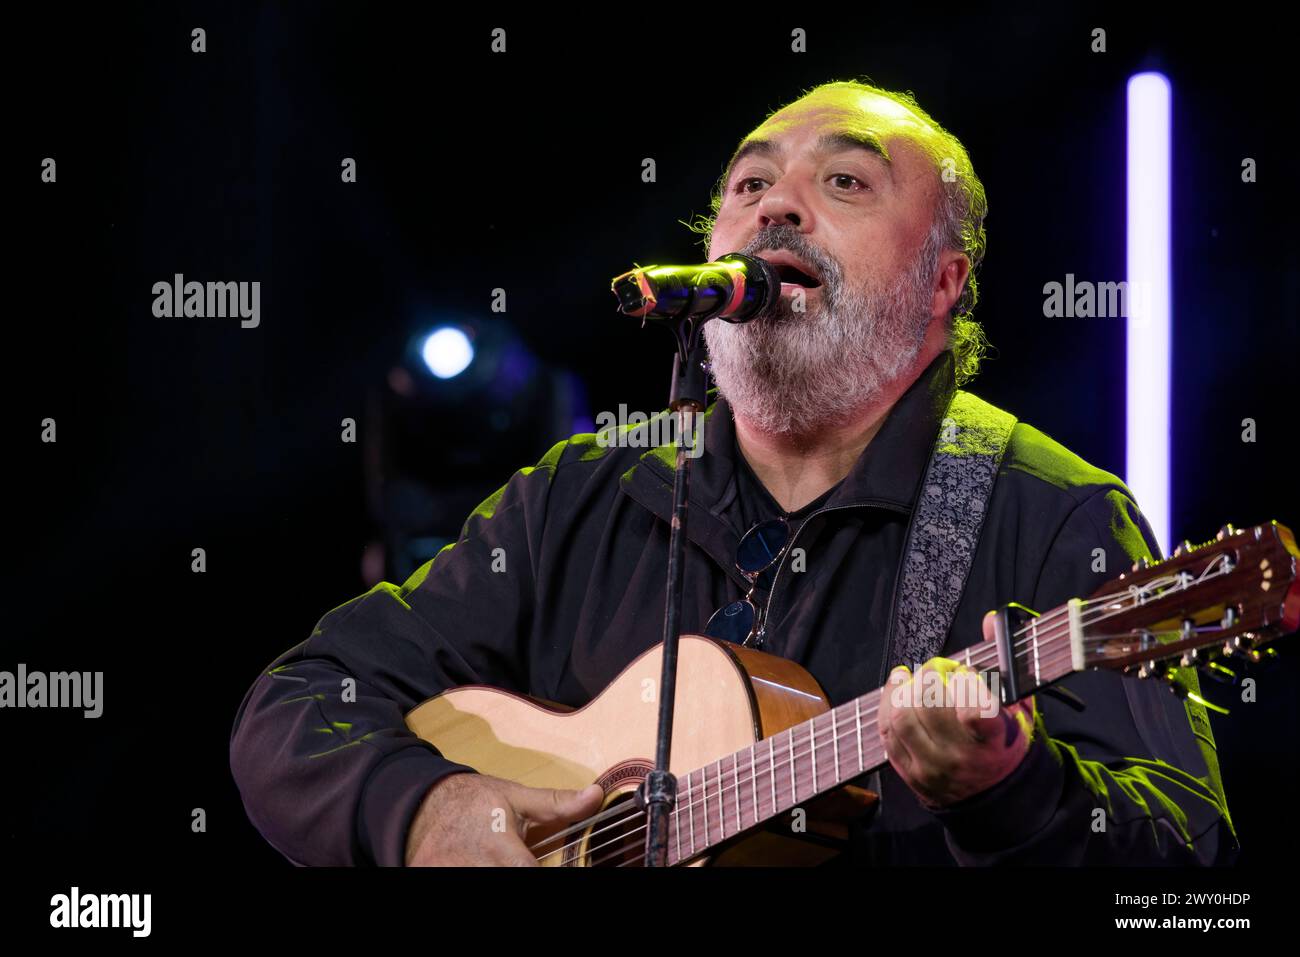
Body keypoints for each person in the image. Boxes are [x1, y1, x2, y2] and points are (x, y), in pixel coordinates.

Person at [229, 79, 1236, 866]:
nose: (776, 207)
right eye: (748, 185)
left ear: (944, 281)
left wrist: (1010, 791)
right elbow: (299, 701)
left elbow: (1187, 871)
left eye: (844, 182)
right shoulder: (580, 493)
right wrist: (432, 812)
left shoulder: (1052, 515)